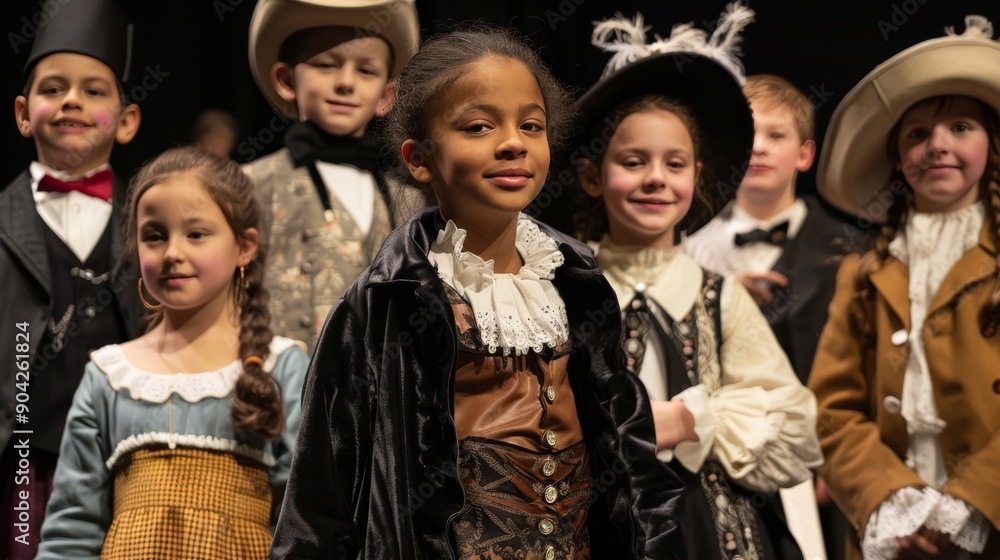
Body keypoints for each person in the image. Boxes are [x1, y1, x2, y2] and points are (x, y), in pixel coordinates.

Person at [270, 28, 683, 559]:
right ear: (420, 158)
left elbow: (632, 458)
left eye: (531, 125)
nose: (513, 142)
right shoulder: (385, 302)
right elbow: (320, 500)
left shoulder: (576, 282)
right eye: (479, 126)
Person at [572, 9, 824, 560]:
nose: (656, 178)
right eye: (633, 161)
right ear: (593, 176)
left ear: (696, 176)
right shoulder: (571, 290)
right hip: (600, 529)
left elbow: (793, 422)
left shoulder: (718, 295)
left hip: (708, 531)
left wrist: (689, 419)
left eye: (675, 163)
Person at [35, 147, 308, 559]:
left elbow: (305, 518)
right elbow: (72, 528)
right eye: (155, 235)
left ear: (245, 247)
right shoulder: (110, 375)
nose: (172, 253)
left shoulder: (282, 367)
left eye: (196, 234)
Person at [808, 15, 1000, 560]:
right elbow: (832, 409)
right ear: (898, 157)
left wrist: (973, 502)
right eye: (918, 134)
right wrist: (892, 502)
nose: (937, 145)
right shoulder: (866, 272)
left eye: (961, 128)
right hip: (895, 534)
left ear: (993, 145)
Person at [685, 73, 859, 560]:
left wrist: (833, 455)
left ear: (804, 154)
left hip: (817, 462)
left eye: (775, 136)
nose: (758, 148)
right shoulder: (687, 250)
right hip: (713, 456)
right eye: (749, 134)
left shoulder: (848, 253)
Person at [0, 1, 142, 557]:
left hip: (127, 453)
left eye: (94, 90)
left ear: (127, 121)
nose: (72, 101)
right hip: (23, 461)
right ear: (22, 112)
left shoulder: (153, 226)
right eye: (53, 88)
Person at [243, 0, 424, 349]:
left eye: (366, 71)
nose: (345, 82)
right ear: (285, 80)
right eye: (325, 65)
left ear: (387, 95)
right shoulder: (249, 185)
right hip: (281, 392)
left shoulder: (408, 198)